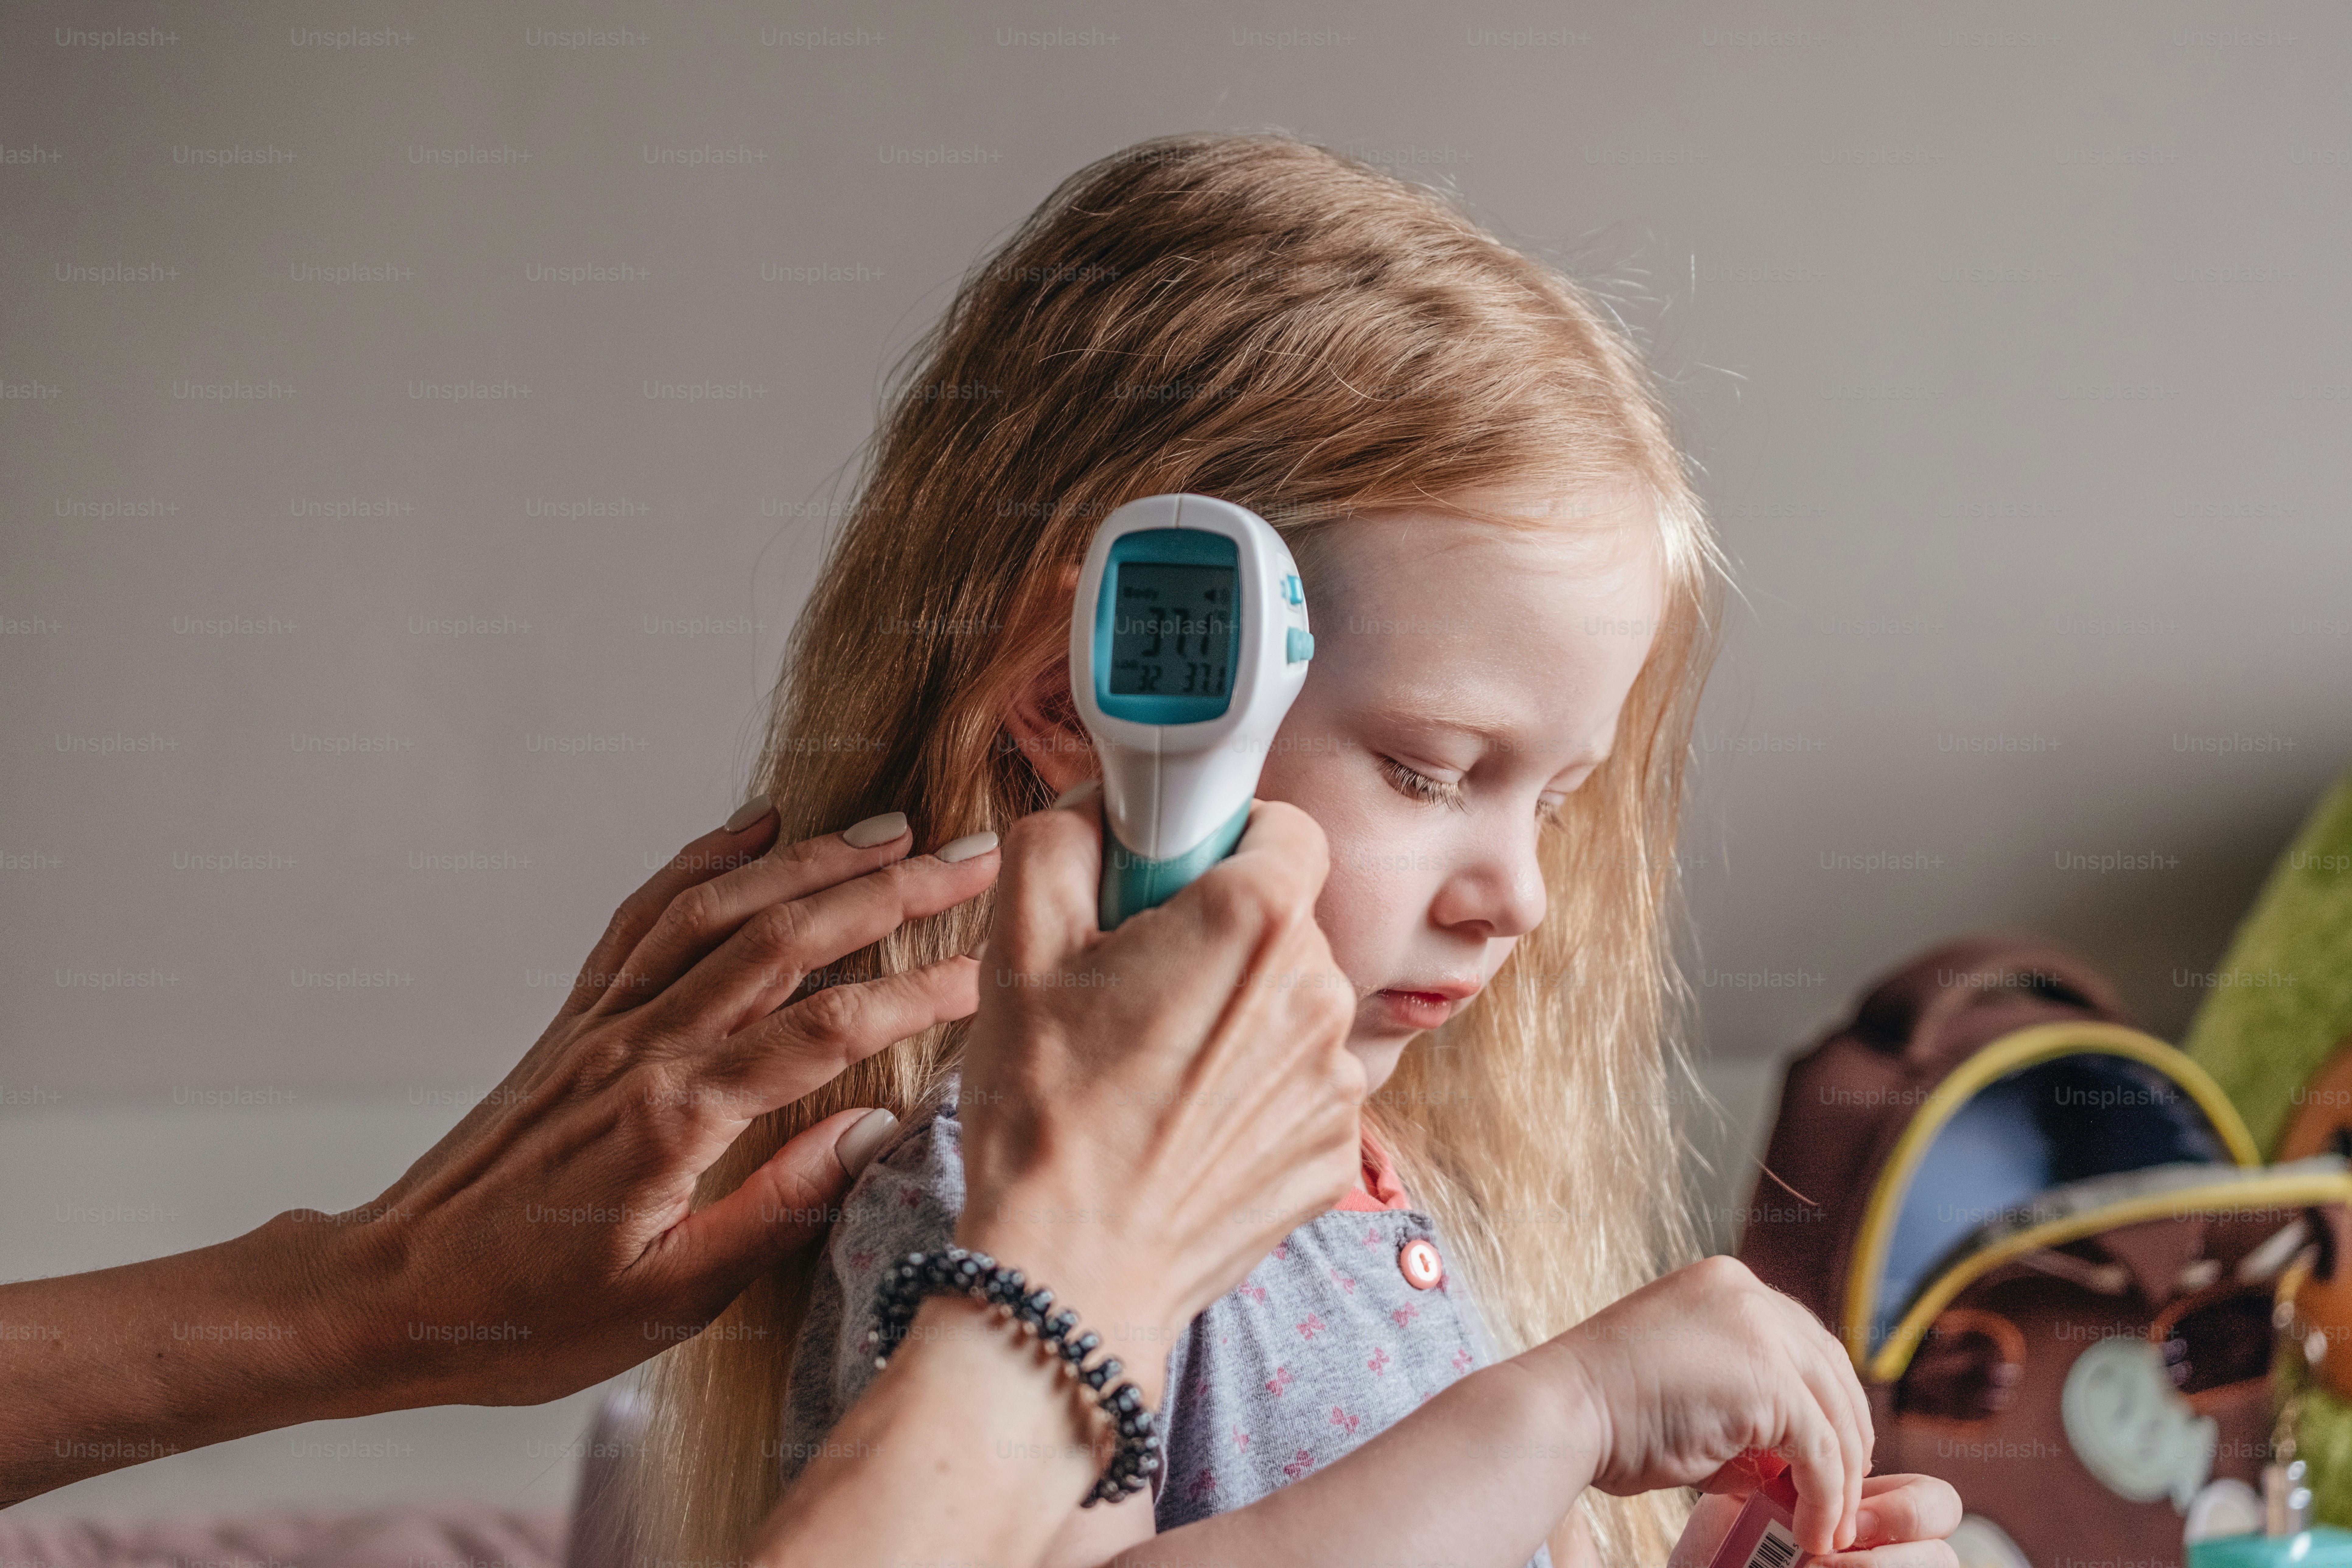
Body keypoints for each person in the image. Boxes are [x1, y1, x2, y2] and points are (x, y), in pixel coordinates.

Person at [629, 131, 1963, 1568]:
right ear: (1089, 696)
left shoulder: (1379, 1194)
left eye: (1556, 800)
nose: (1516, 893)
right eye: (1426, 771)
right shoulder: (1000, 1212)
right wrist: (1563, 1409)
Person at [0, 789, 1367, 1553]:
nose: (1518, 897)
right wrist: (1072, 1272)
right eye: (1425, 769)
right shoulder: (934, 1195)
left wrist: (368, 1298)